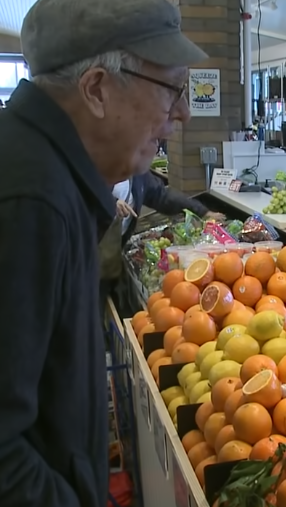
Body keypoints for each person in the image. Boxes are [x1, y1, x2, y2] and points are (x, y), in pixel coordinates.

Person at [0, 0, 207, 504]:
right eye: (172, 89)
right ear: (96, 89)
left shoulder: (47, 173)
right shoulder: (30, 201)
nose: (181, 112)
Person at [99, 171, 225, 306]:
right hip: (86, 249)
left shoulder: (137, 174)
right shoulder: (100, 164)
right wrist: (110, 203)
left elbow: (162, 196)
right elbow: (81, 192)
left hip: (110, 251)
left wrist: (202, 211)